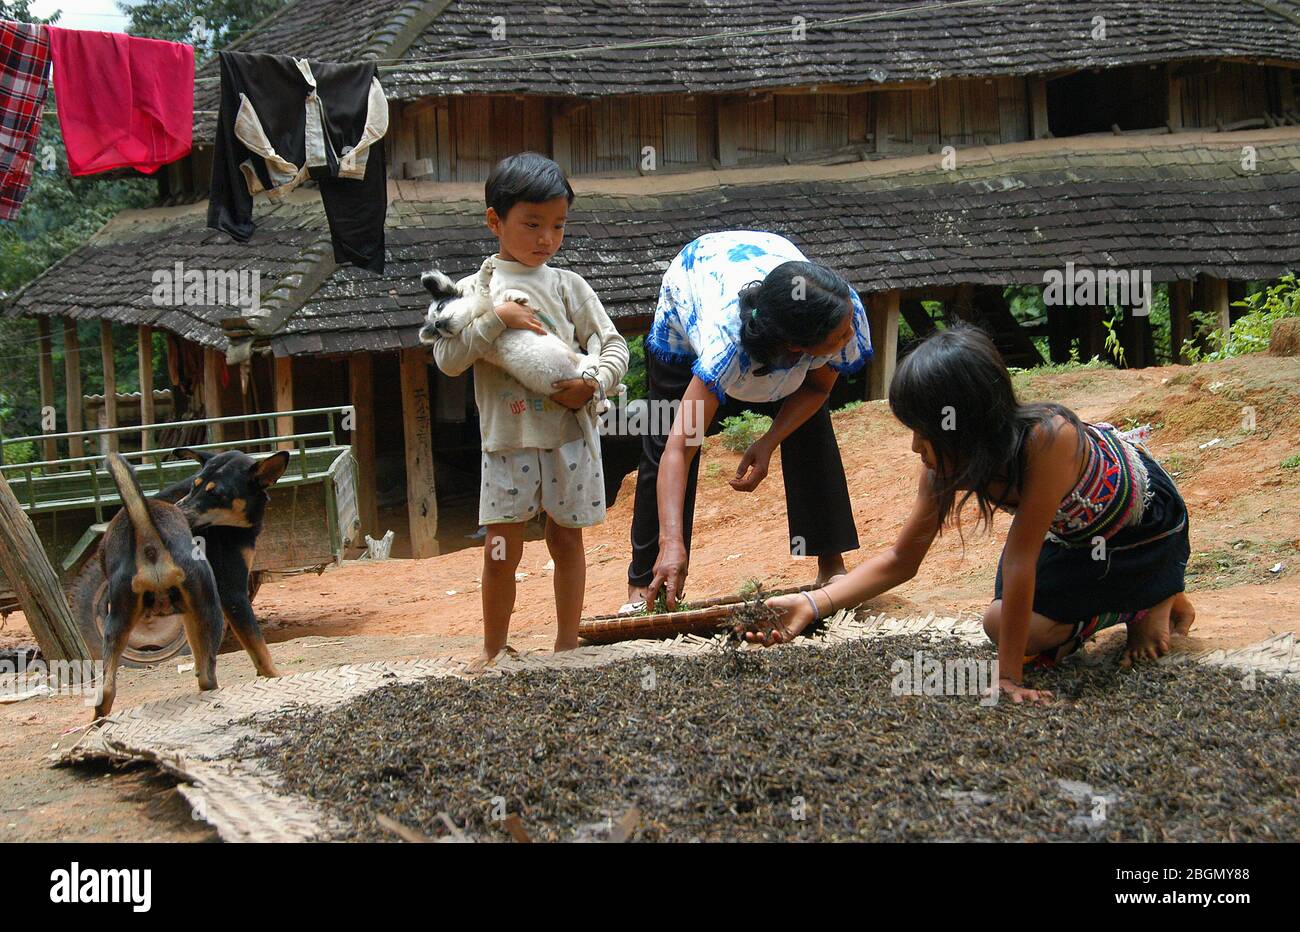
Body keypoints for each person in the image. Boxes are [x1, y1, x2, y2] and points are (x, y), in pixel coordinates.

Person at [750, 324, 1195, 704]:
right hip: (1071, 540)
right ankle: (1133, 602)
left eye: (922, 433)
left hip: (1142, 532)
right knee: (1002, 625)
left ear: (963, 427)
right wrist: (811, 605)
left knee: (1014, 629)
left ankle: (1151, 599)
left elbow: (1021, 560)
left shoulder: (1050, 438)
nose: (913, 448)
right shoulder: (944, 468)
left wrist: (1007, 680)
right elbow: (902, 561)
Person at [429, 152, 628, 663]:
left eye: (558, 226)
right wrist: (497, 318)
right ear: (495, 221)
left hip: (567, 436)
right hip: (507, 441)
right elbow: (448, 358)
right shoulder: (476, 291)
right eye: (532, 224)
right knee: (501, 551)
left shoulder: (569, 286)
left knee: (567, 543)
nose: (546, 238)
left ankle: (567, 644)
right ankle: (494, 649)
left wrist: (594, 385)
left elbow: (614, 346)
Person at [626, 230, 872, 612]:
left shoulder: (844, 312)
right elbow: (680, 447)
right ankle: (647, 585)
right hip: (695, 282)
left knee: (810, 425)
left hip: (765, 263)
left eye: (847, 330)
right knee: (665, 434)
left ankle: (831, 565)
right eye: (840, 336)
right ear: (795, 346)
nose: (851, 336)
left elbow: (817, 390)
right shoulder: (723, 349)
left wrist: (769, 441)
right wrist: (671, 541)